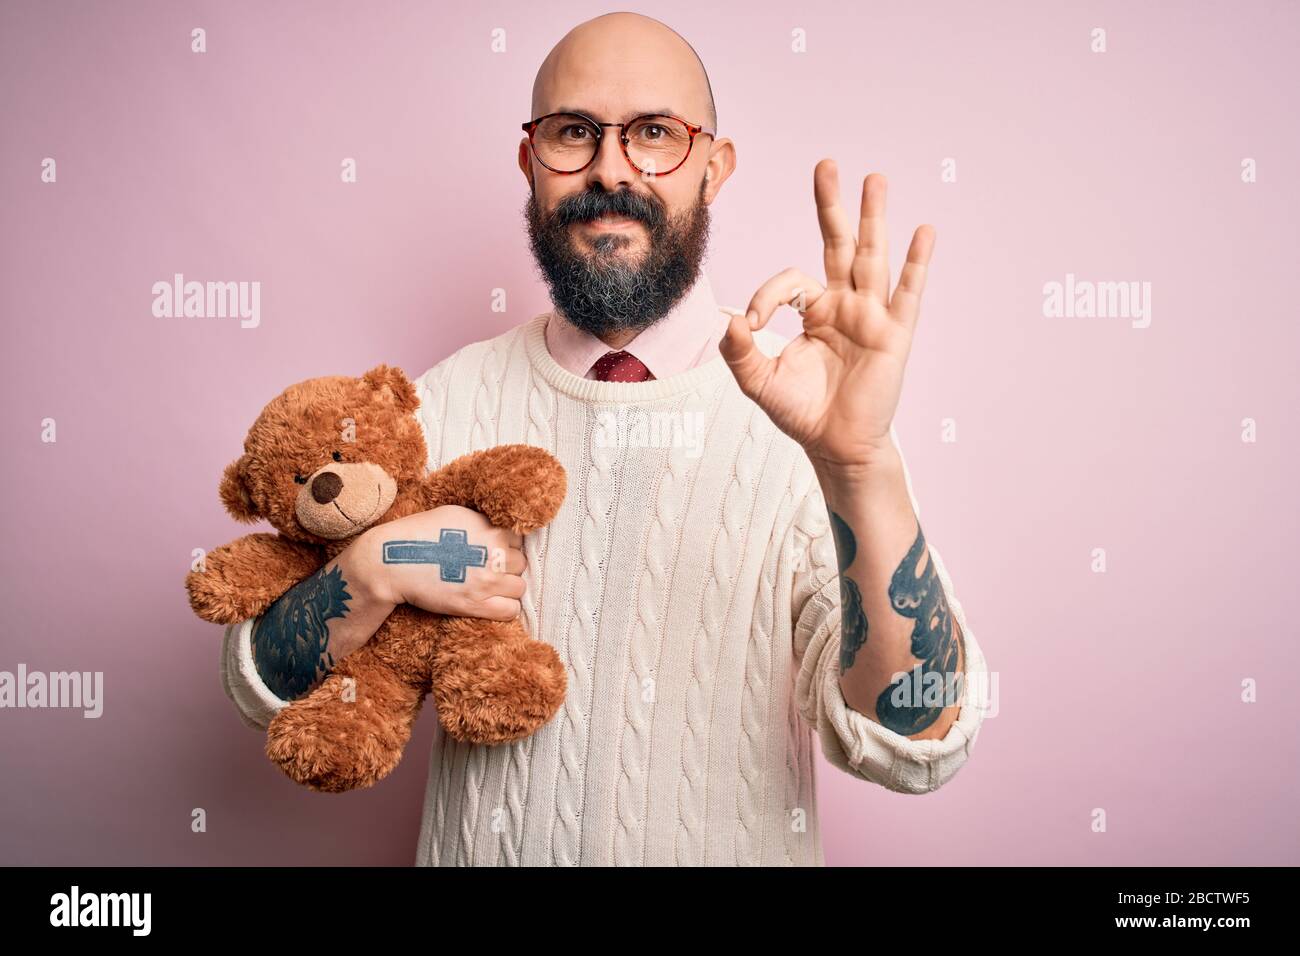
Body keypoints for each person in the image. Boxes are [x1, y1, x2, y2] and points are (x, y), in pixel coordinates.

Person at [219, 11, 989, 866]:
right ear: (530, 162)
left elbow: (919, 734)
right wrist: (368, 573)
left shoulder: (810, 421)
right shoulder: (441, 402)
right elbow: (261, 686)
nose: (610, 169)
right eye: (574, 133)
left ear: (714, 166)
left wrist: (860, 465)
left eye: (655, 133)